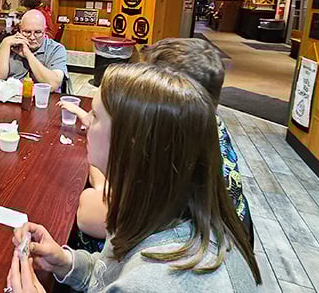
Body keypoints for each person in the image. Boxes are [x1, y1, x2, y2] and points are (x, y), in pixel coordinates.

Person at [7, 63, 261, 293]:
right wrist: (67, 263)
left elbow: (133, 280)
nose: (85, 124)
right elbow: (113, 272)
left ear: (131, 144)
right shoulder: (156, 209)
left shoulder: (160, 280)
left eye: (94, 116)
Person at [63, 37, 252, 254]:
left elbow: (89, 214)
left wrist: (101, 180)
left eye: (147, 82)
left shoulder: (173, 154)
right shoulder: (210, 128)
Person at [0, 9, 68, 92]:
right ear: (19, 29)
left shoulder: (56, 49)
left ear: (45, 31)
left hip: (43, 99)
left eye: (37, 32)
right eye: (27, 32)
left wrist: (28, 54)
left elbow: (53, 85)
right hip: (11, 98)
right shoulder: (9, 43)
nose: (32, 37)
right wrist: (5, 44)